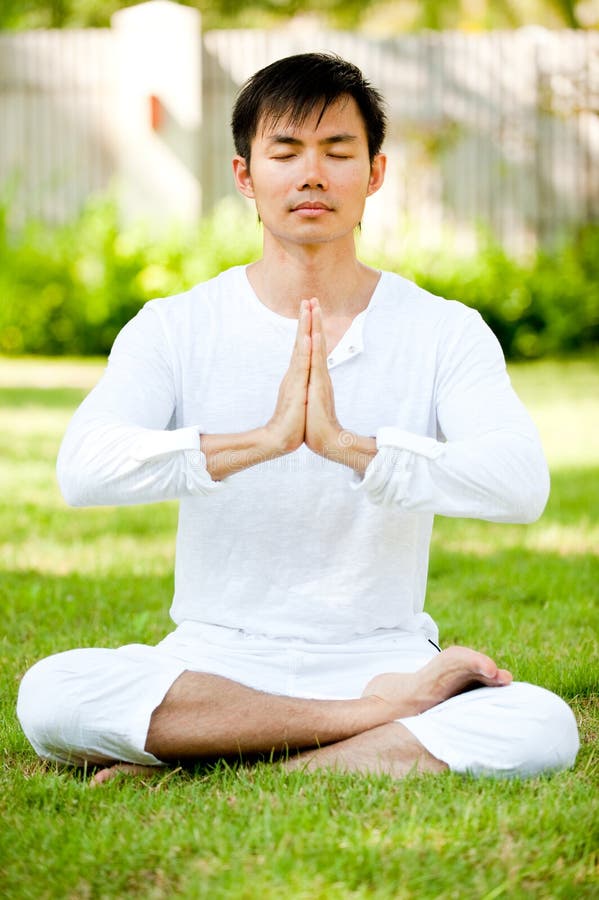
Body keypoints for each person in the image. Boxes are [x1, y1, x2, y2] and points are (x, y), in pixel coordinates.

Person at [17, 53, 579, 785]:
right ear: (245, 176)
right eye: (285, 151)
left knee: (540, 725)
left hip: (378, 652)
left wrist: (352, 448)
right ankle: (359, 728)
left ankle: (231, 765)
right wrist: (263, 441)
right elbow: (83, 469)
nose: (311, 174)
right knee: (50, 695)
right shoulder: (175, 326)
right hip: (216, 656)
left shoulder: (444, 329)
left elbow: (519, 486)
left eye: (337, 151)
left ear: (374, 173)